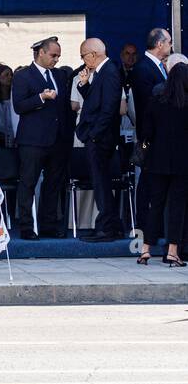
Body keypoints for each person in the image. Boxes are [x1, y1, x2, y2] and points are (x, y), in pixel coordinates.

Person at [12, 37, 71, 239]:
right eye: (53, 55)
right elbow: (18, 106)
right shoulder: (23, 76)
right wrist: (40, 98)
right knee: (28, 183)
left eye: (58, 56)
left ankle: (48, 224)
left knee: (53, 183)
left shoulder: (60, 75)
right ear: (41, 53)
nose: (56, 59)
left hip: (58, 139)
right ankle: (27, 226)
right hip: (33, 140)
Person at [136, 62, 188, 267]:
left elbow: (146, 132)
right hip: (183, 163)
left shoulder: (156, 101)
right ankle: (173, 251)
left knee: (155, 205)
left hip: (156, 162)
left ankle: (146, 249)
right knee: (177, 206)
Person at [76, 38, 125, 241]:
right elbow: (96, 101)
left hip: (101, 138)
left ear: (93, 54)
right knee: (100, 183)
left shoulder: (110, 71)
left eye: (83, 56)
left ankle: (107, 227)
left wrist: (94, 135)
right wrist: (84, 85)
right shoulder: (100, 72)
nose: (83, 60)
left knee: (102, 183)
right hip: (98, 136)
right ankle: (109, 224)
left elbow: (109, 108)